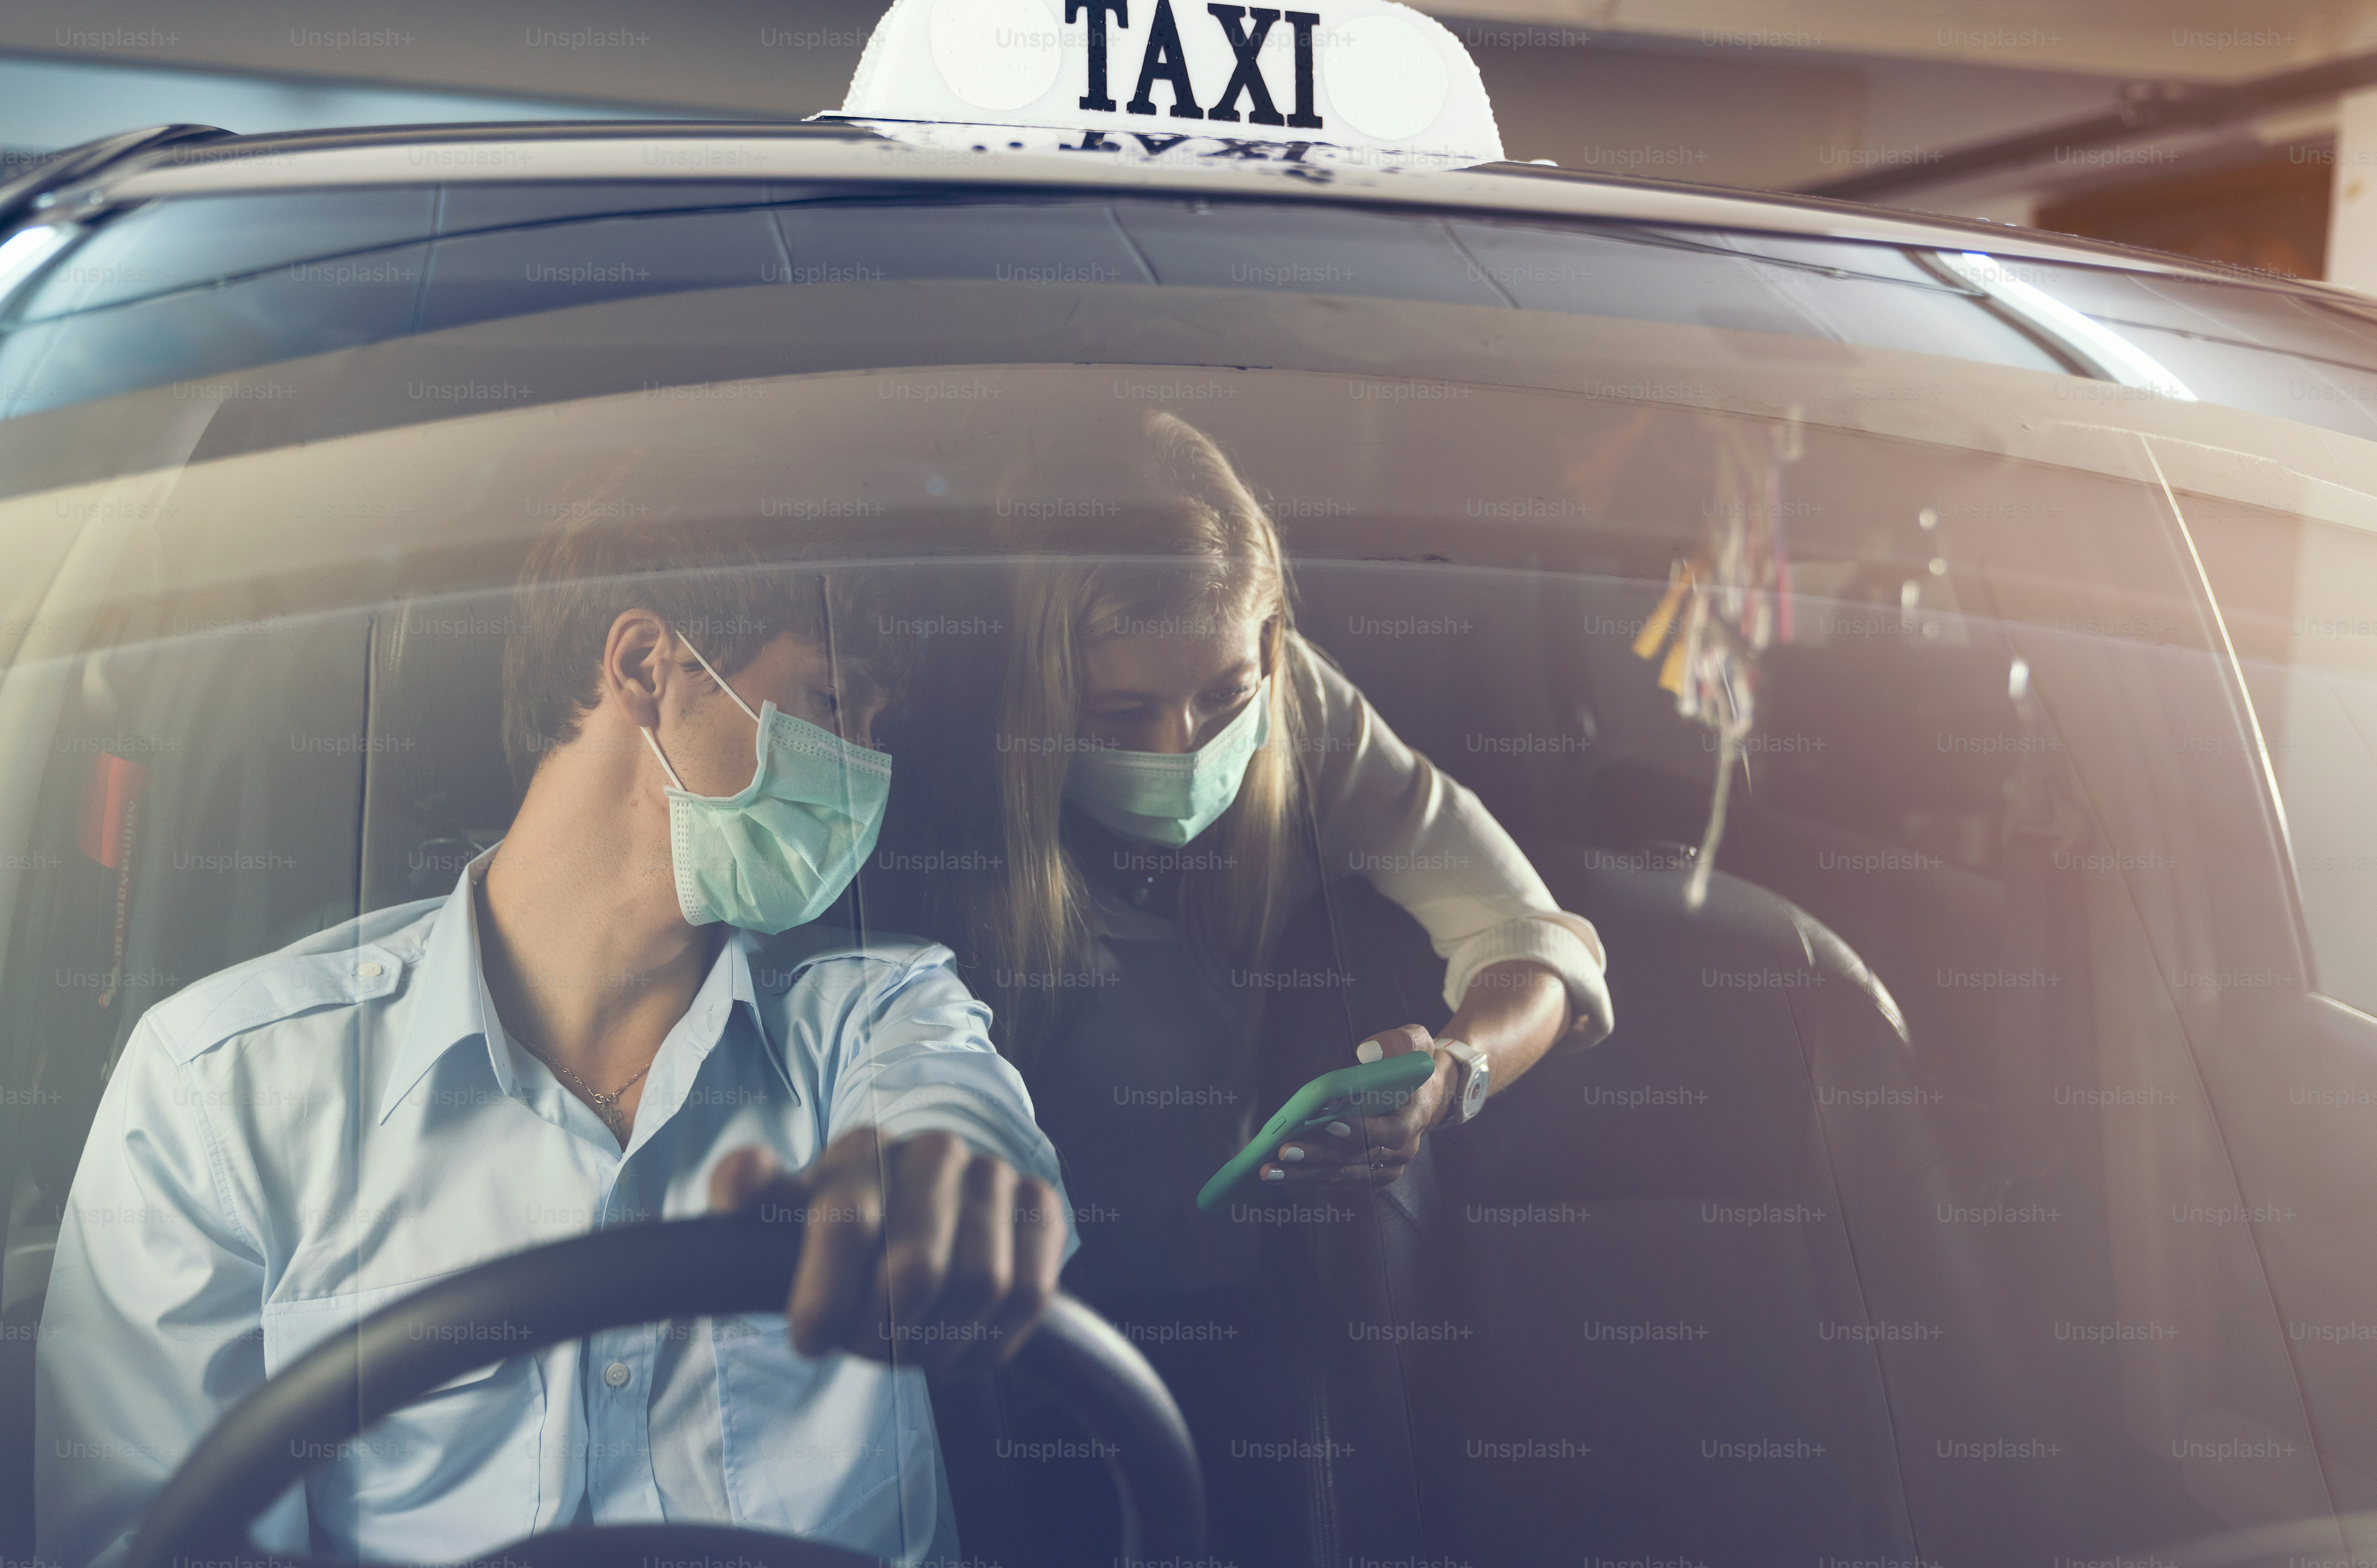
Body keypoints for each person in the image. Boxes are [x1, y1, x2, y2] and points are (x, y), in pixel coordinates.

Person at [35, 512, 1071, 1568]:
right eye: (836, 703)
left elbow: (966, 1124)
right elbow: (150, 1547)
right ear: (646, 665)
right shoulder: (218, 1091)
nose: (864, 770)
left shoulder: (876, 1009)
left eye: (882, 730)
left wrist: (942, 1185)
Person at [882, 409, 1615, 1563]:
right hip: (978, 1364)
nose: (1183, 746)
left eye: (1223, 697)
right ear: (1031, 677)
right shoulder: (928, 753)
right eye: (1123, 714)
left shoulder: (1294, 706)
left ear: (1268, 647)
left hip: (1227, 1331)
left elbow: (1530, 935)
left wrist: (1452, 1075)